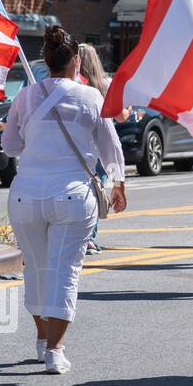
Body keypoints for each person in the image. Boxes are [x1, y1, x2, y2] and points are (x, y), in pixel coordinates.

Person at [2, 26, 128, 375]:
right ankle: (55, 350)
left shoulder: (24, 97)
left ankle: (43, 340)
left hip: (26, 194)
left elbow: (11, 147)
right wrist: (118, 182)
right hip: (72, 195)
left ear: (46, 61)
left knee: (36, 268)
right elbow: (110, 146)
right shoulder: (90, 98)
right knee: (64, 272)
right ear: (77, 61)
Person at [76, 43, 127, 255]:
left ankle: (82, 235)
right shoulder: (105, 84)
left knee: (82, 189)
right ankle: (89, 237)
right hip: (103, 145)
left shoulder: (76, 84)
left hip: (82, 143)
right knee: (98, 190)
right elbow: (120, 116)